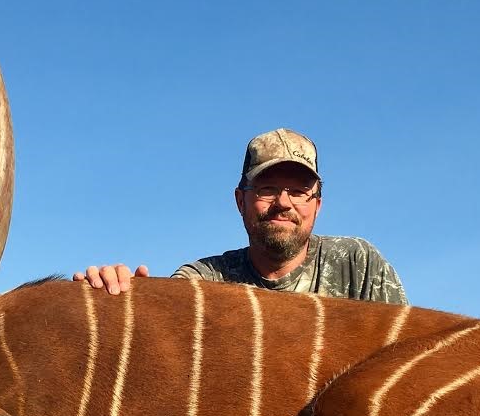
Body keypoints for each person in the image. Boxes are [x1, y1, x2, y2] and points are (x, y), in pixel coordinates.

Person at [74, 127, 406, 303]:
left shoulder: (360, 265)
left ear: (317, 204)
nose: (283, 202)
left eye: (299, 191)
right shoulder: (204, 279)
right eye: (267, 189)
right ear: (240, 201)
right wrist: (118, 294)